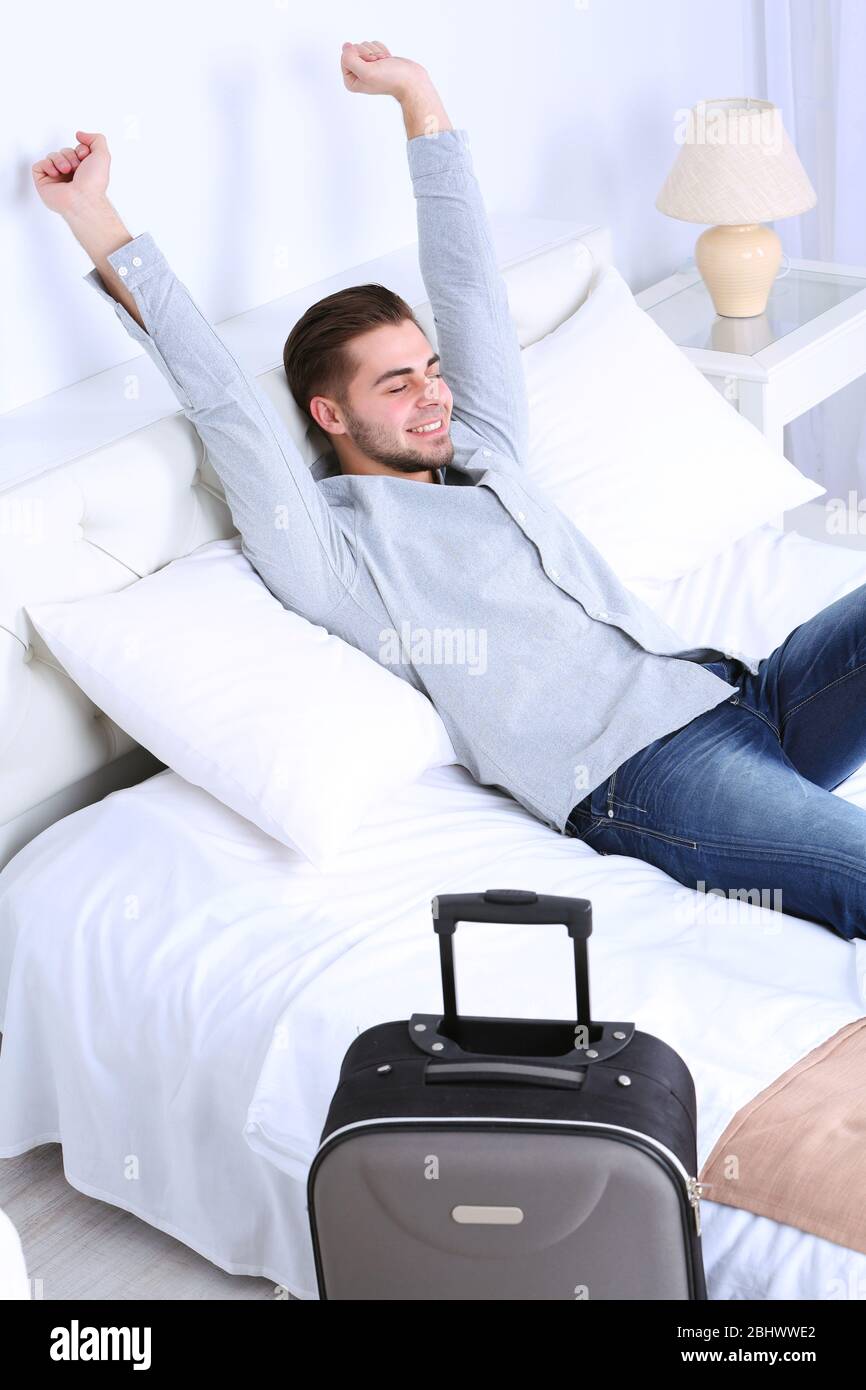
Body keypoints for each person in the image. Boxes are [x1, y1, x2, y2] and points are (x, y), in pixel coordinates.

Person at [31, 40, 866, 942]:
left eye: (429, 369)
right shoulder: (336, 553)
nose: (433, 393)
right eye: (396, 385)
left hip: (729, 692)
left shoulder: (485, 448)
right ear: (330, 414)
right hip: (641, 776)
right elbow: (221, 399)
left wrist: (416, 98)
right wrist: (96, 217)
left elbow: (467, 280)